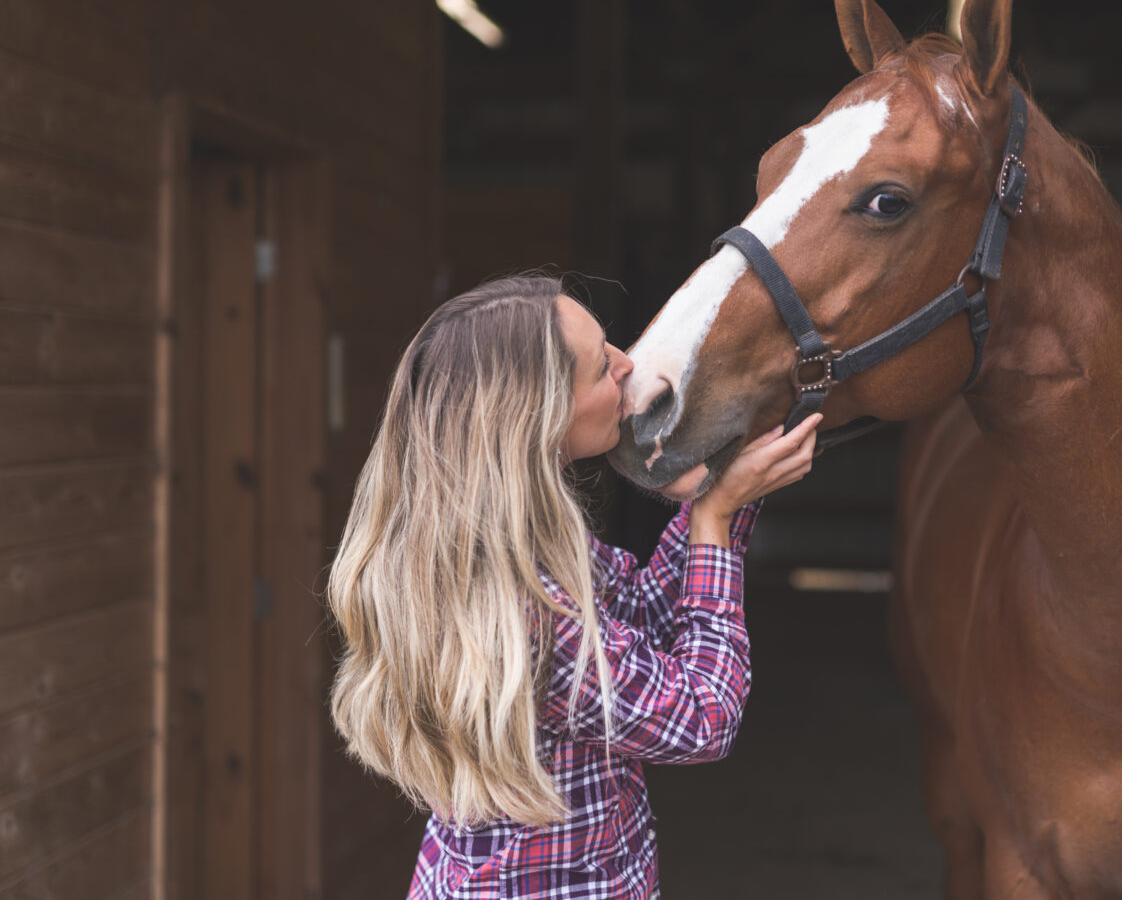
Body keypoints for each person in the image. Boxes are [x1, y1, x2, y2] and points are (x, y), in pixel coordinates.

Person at [327, 274, 820, 899]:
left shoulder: (506, 547)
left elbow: (637, 614)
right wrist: (713, 520)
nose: (625, 364)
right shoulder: (523, 608)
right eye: (597, 368)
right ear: (533, 415)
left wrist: (723, 492)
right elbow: (701, 715)